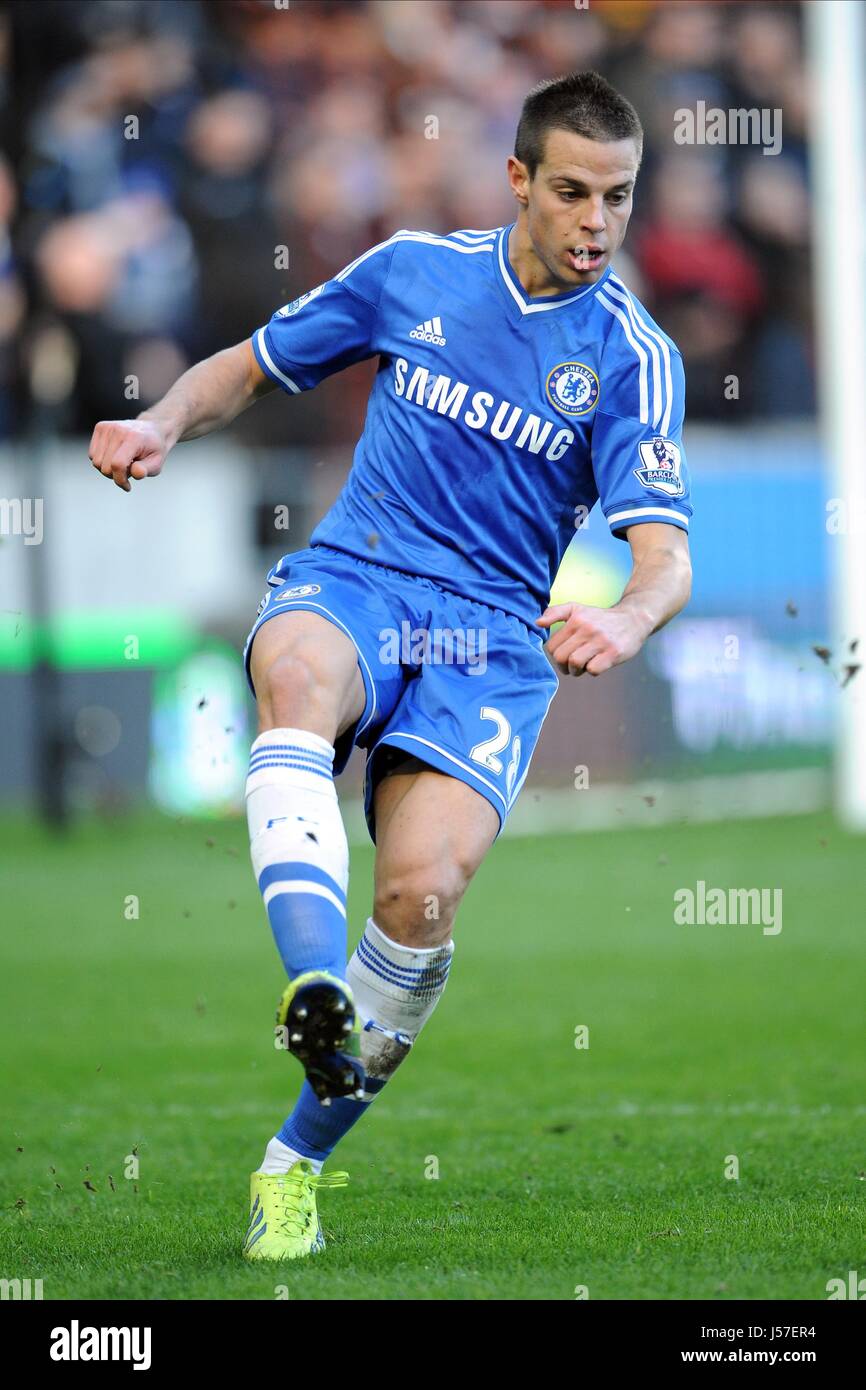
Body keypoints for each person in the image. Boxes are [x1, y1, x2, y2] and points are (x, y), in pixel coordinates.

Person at [88, 71, 692, 1261]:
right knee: (299, 680)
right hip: (358, 574)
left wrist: (624, 620)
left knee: (421, 897)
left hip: (488, 638)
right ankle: (313, 987)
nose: (593, 223)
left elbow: (663, 557)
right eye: (569, 191)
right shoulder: (410, 269)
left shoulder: (632, 355)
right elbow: (251, 362)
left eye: (616, 198)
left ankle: (291, 1165)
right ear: (516, 179)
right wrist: (160, 419)